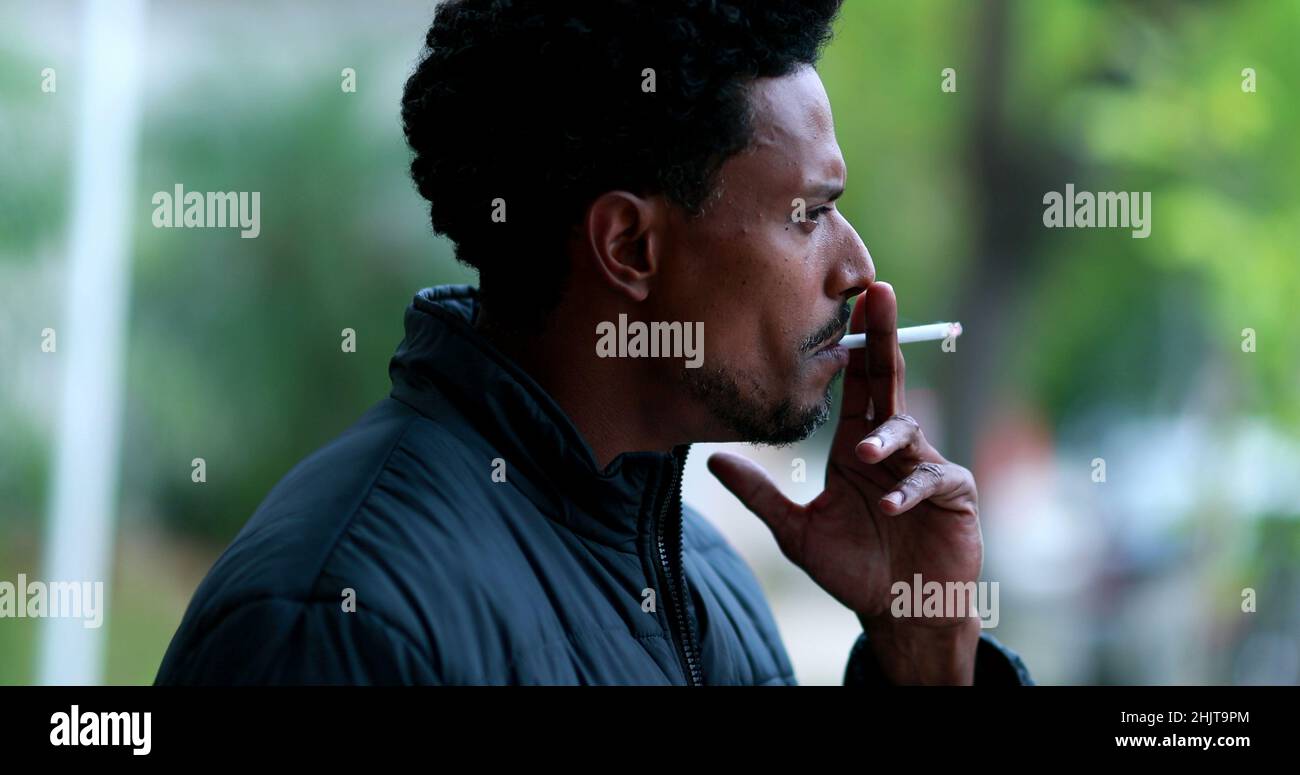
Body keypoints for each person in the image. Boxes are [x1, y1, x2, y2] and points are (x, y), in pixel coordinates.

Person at [156, 0, 1032, 686]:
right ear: (630, 248)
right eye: (810, 213)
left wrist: (926, 657)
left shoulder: (711, 586)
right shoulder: (342, 619)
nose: (856, 269)